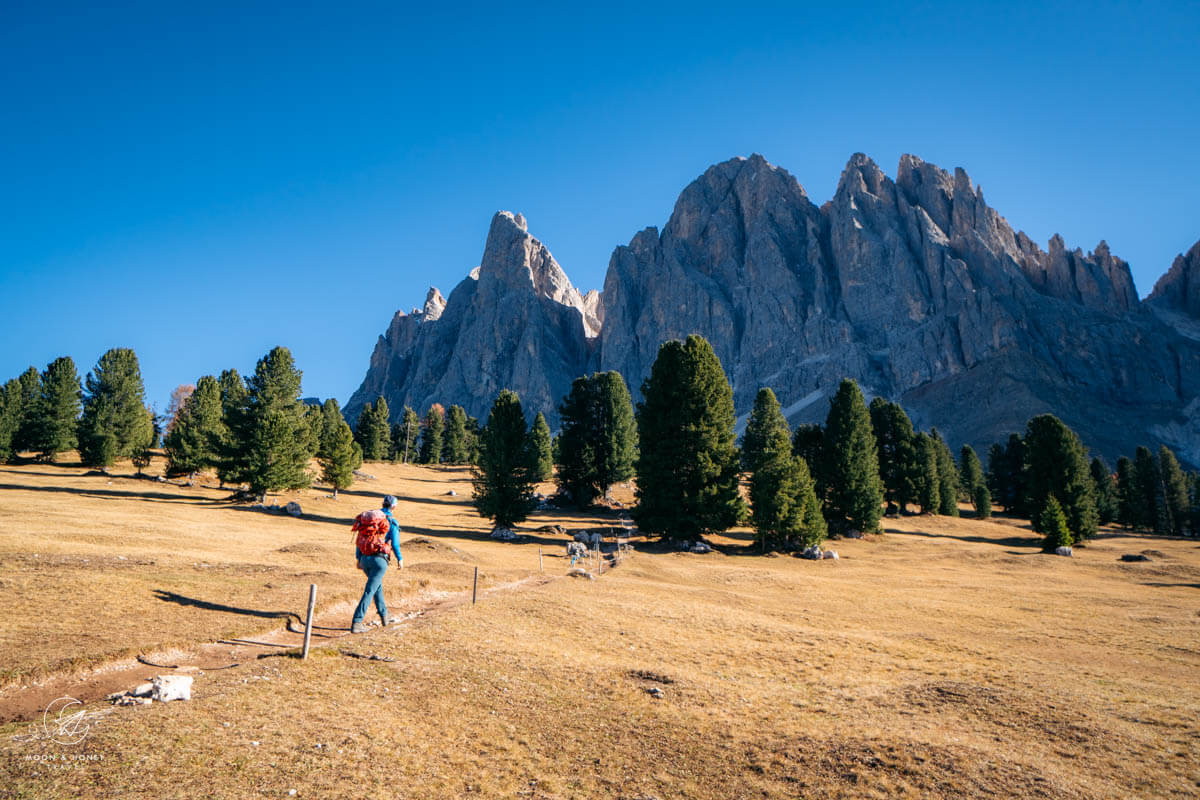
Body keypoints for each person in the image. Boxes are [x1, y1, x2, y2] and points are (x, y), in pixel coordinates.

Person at [350, 495, 404, 633]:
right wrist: (400, 559)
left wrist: (359, 558)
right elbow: (396, 544)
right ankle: (357, 621)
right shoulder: (391, 521)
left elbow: (360, 539)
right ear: (394, 506)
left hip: (365, 558)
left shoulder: (369, 520)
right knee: (370, 590)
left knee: (376, 586)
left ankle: (385, 615)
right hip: (380, 560)